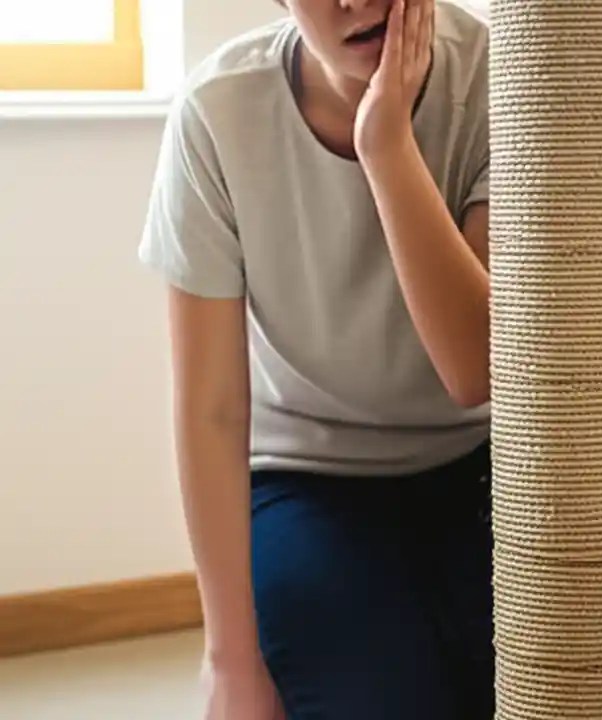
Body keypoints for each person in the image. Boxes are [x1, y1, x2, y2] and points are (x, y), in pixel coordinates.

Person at [137, 0, 494, 717]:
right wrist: (230, 661)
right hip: (306, 481)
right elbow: (211, 410)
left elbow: (475, 368)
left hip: (478, 463)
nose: (354, 2)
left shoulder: (497, 75)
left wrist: (387, 146)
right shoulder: (218, 111)